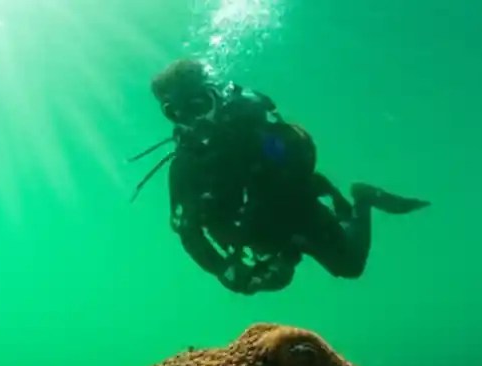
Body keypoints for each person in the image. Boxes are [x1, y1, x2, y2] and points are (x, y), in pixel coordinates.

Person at [131, 58, 430, 295]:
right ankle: (286, 254)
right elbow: (188, 230)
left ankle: (363, 198)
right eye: (177, 114)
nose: (192, 121)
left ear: (216, 96)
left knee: (350, 266)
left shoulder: (256, 130)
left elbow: (300, 164)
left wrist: (265, 151)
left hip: (296, 212)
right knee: (255, 286)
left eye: (198, 106)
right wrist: (224, 270)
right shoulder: (186, 166)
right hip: (259, 238)